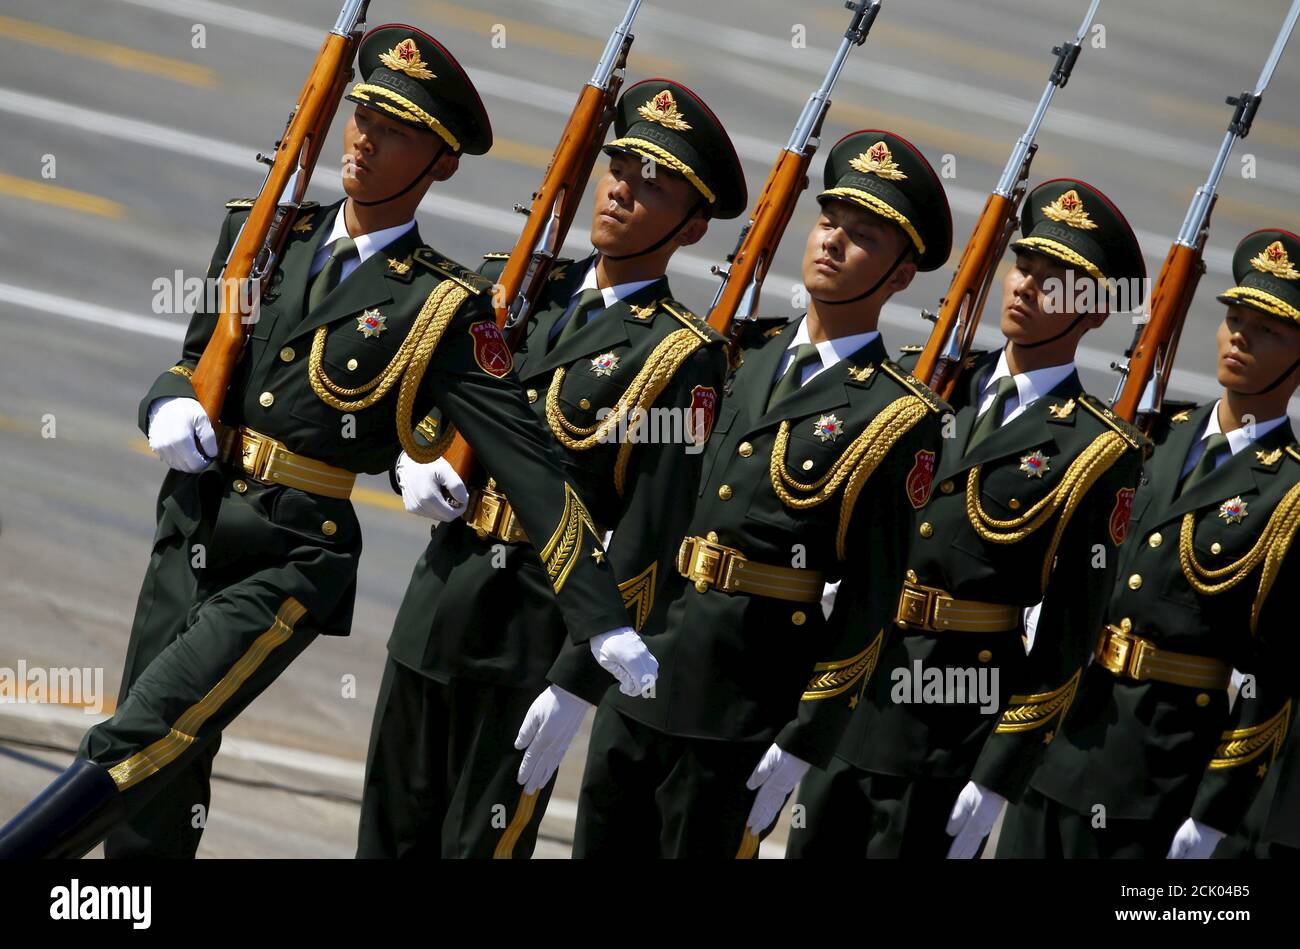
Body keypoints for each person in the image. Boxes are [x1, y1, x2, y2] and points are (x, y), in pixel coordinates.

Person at [0, 25, 654, 859]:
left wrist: (602, 622)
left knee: (151, 724)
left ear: (442, 164)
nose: (367, 138)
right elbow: (193, 360)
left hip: (290, 555)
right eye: (362, 114)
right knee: (164, 778)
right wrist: (164, 405)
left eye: (400, 130)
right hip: (189, 527)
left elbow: (529, 464)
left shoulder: (442, 306)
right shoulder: (264, 231)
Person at [522, 129, 954, 857]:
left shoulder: (895, 417)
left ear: (903, 274)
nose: (832, 244)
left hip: (742, 708)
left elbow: (869, 605)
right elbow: (647, 526)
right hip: (645, 675)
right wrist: (579, 670)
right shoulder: (728, 355)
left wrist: (804, 741)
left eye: (863, 237)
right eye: (828, 223)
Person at [355, 78, 746, 859]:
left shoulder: (682, 356)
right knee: (387, 843)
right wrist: (412, 463)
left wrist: (575, 680)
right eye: (620, 169)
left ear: (695, 226)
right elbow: (427, 411)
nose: (624, 191)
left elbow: (648, 542)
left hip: (531, 637)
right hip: (438, 607)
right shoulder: (514, 290)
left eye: (655, 185)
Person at [788, 178, 1149, 858]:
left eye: (1055, 281)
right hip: (854, 698)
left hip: (950, 729)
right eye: (1024, 267)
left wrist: (999, 776)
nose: (1025, 287)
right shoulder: (920, 389)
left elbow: (1066, 642)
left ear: (1095, 311)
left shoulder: (1097, 451)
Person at [991, 228, 1300, 859]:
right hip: (1063, 736)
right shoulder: (1153, 436)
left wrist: (1216, 813)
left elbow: (1278, 676)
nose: (1239, 336)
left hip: (1158, 772)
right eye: (1235, 319)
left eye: (1267, 330)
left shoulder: (1291, 493)